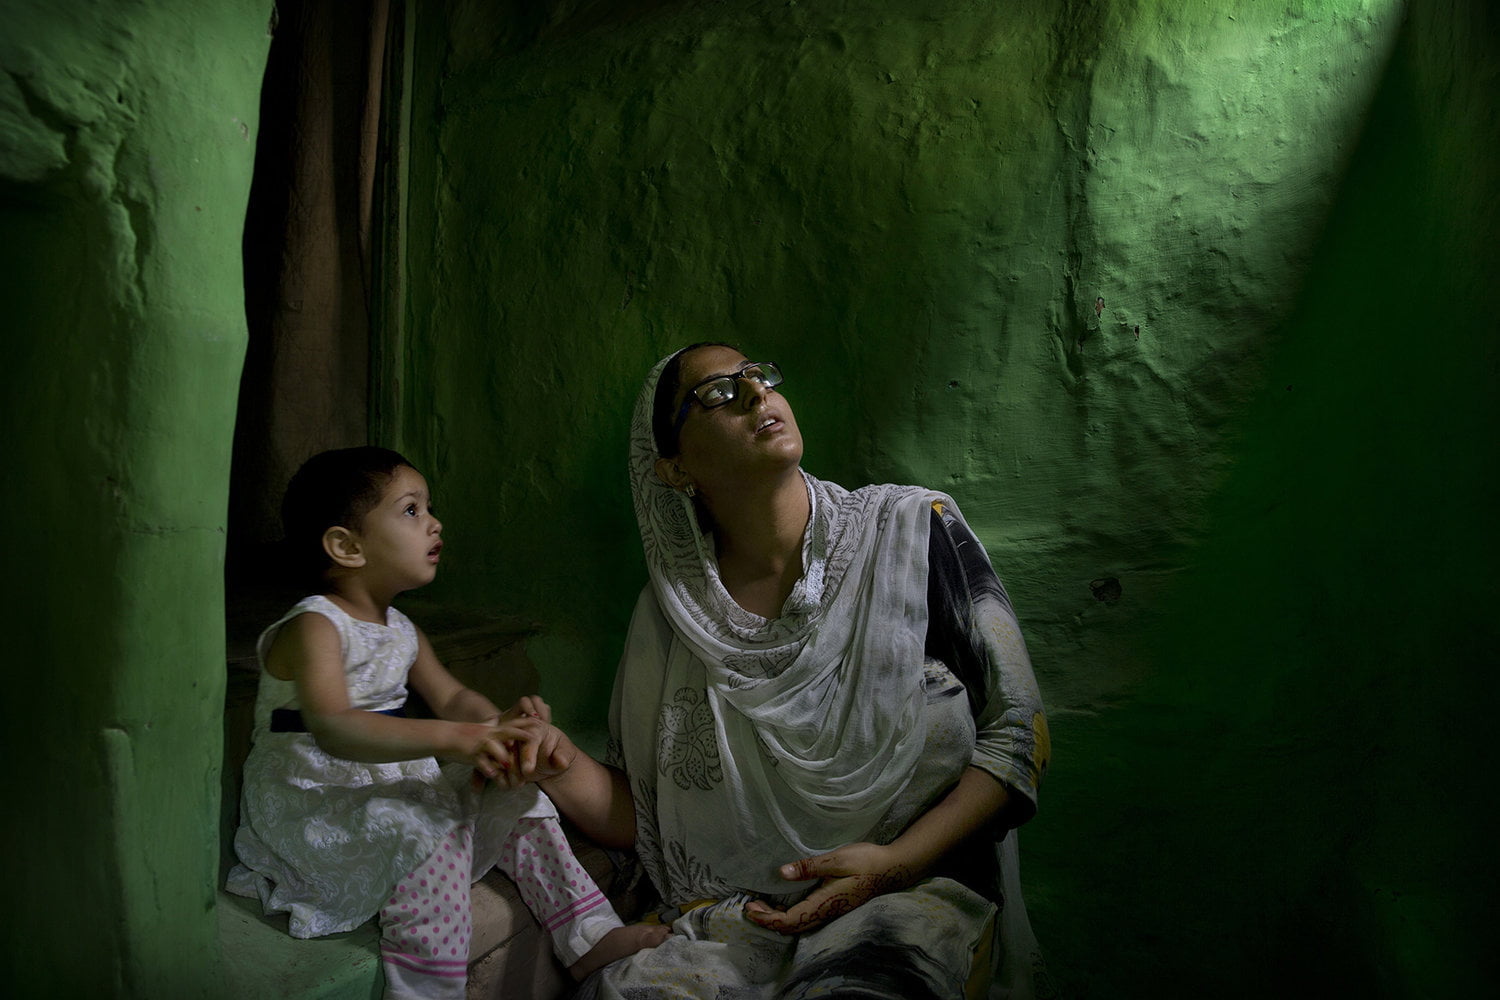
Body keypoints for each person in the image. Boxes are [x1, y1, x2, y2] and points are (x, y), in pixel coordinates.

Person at [510, 345, 1051, 998]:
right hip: (732, 921)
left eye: (757, 375)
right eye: (715, 392)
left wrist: (892, 865)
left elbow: (1017, 733)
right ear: (674, 469)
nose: (754, 394)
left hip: (911, 894)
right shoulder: (672, 613)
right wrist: (557, 760)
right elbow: (655, 819)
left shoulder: (910, 533)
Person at [226, 447, 668, 999]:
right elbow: (334, 726)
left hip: (384, 783)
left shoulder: (402, 629)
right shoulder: (315, 625)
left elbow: (453, 697)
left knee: (520, 796)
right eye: (412, 510)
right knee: (425, 835)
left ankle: (590, 937)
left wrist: (502, 726)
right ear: (346, 546)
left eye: (429, 508)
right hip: (317, 800)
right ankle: (427, 992)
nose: (434, 523)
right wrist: (459, 739)